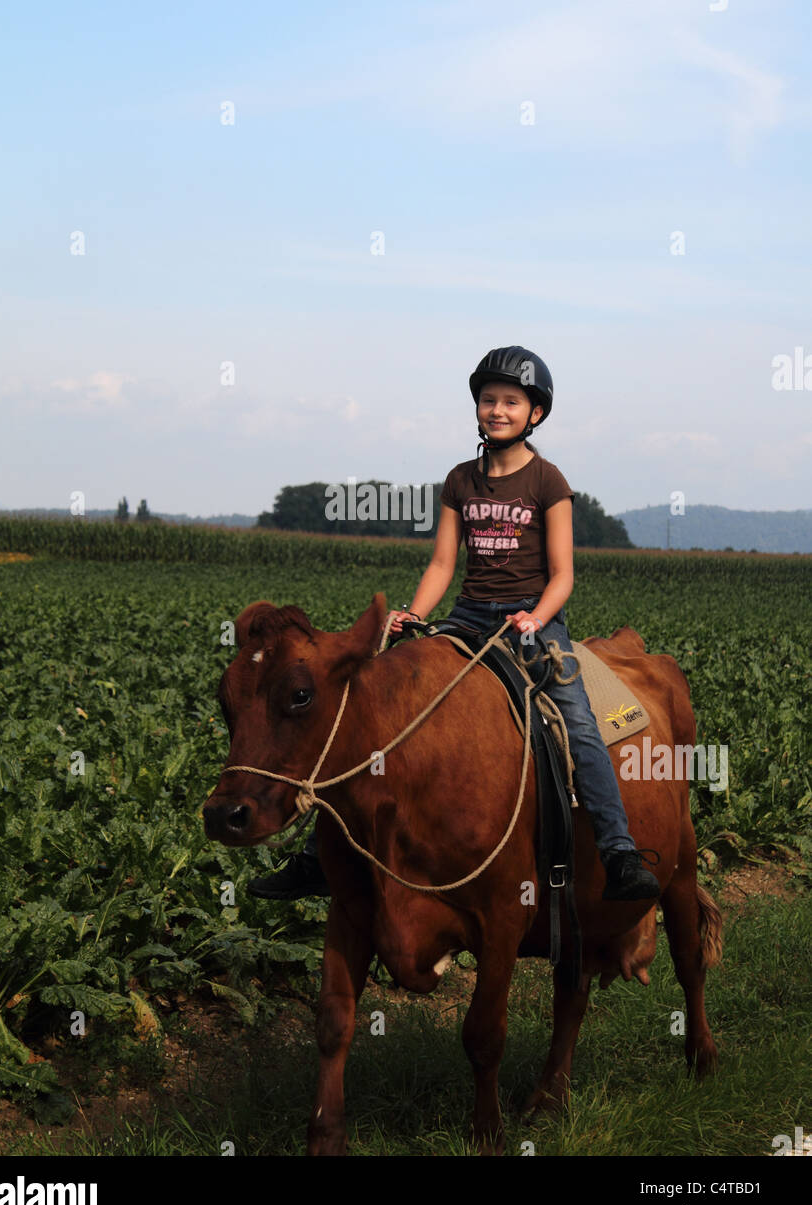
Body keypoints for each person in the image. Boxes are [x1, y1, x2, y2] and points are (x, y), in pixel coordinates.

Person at [247, 345, 659, 903]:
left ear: (535, 412)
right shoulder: (461, 480)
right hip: (467, 619)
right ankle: (318, 858)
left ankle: (619, 853)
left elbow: (563, 575)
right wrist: (415, 613)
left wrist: (536, 617)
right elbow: (443, 562)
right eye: (489, 399)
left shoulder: (549, 481)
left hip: (532, 624)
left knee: (580, 724)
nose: (498, 410)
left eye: (512, 401)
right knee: (377, 710)